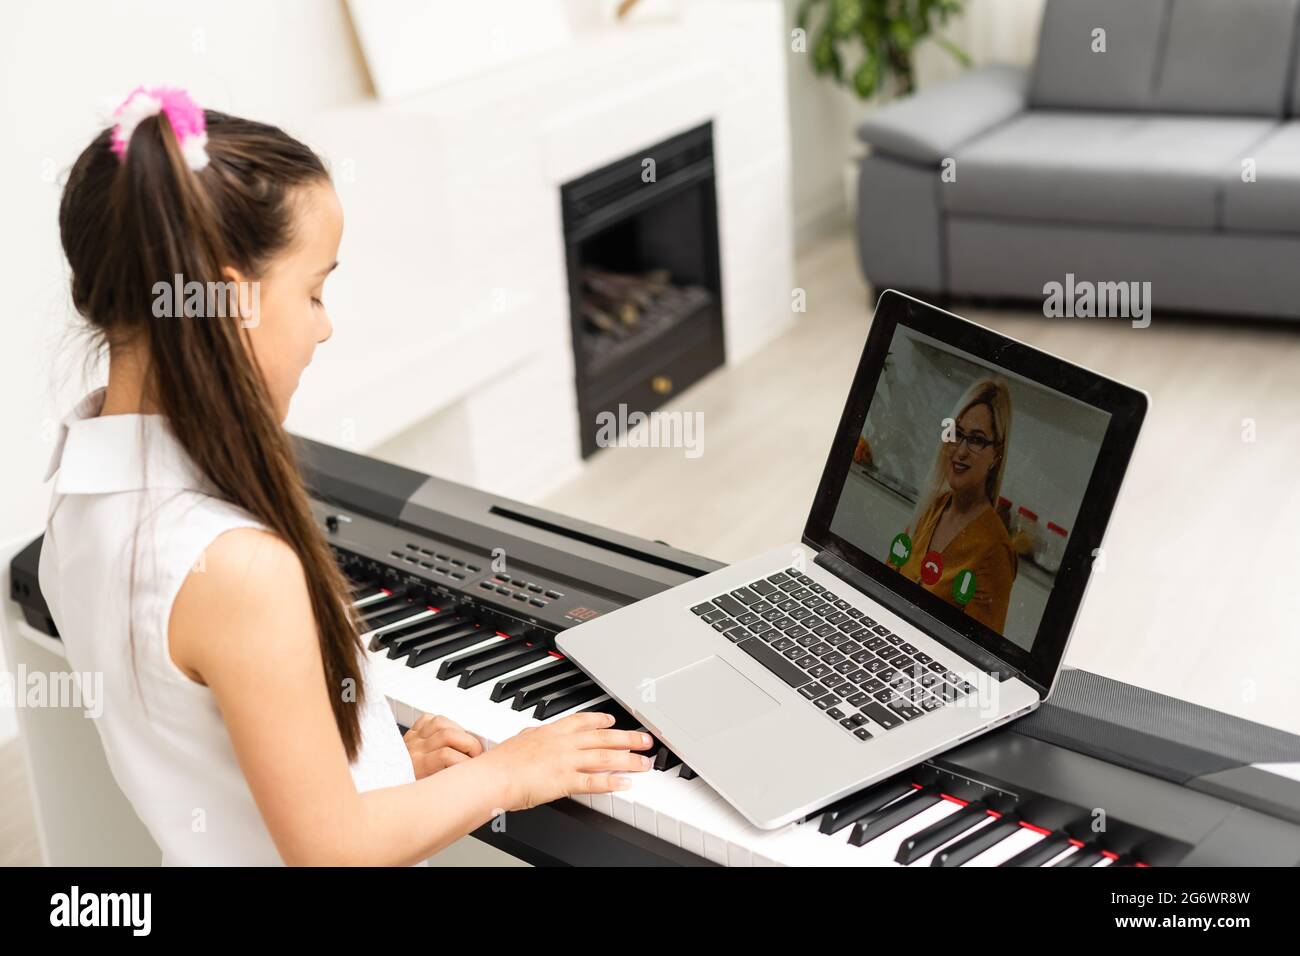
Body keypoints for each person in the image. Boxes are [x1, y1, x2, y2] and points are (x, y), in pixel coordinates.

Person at [39, 87, 652, 866]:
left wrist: (381, 770)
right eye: (313, 291)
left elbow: (212, 761)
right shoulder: (234, 568)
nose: (324, 326)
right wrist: (508, 773)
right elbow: (333, 853)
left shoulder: (81, 486)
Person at [891, 378, 1017, 632]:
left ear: (997, 455)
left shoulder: (996, 549)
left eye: (977, 440)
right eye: (957, 433)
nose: (960, 451)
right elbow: (887, 577)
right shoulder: (933, 507)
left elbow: (976, 647)